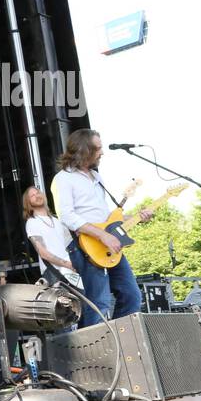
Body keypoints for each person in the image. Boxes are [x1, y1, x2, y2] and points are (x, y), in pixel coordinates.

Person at [50, 129, 146, 328]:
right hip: (85, 244)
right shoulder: (63, 179)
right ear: (84, 150)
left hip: (107, 242)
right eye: (98, 148)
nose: (102, 153)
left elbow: (104, 217)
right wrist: (102, 235)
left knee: (132, 295)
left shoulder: (96, 177)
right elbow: (66, 216)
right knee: (99, 303)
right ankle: (91, 355)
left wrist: (136, 217)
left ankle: (121, 340)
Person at [21, 185, 80, 287]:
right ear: (28, 203)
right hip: (54, 273)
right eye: (32, 196)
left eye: (37, 193)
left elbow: (70, 245)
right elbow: (43, 252)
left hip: (71, 271)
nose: (37, 196)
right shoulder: (32, 222)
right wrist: (66, 264)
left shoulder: (57, 220)